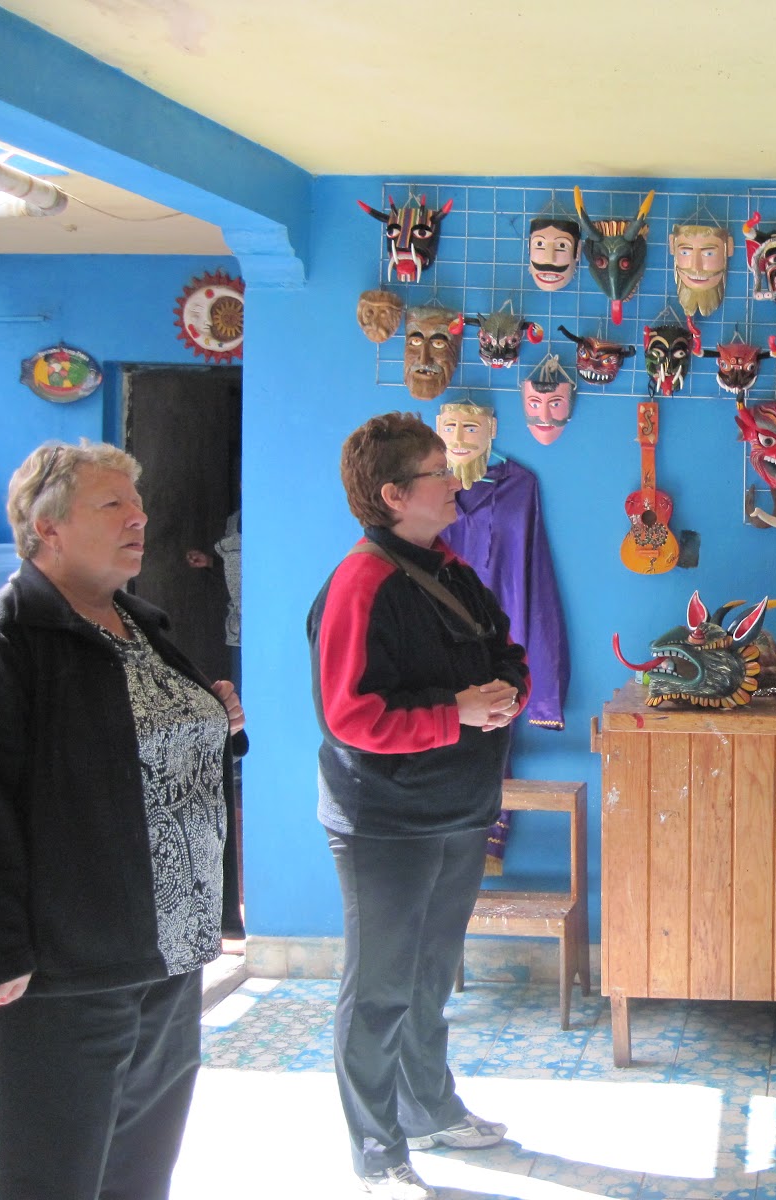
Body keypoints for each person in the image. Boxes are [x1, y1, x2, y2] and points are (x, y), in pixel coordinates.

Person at [0, 440, 246, 1200]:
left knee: (140, 1175)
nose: (139, 519)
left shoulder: (140, 624)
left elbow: (138, 749)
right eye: (113, 505)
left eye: (138, 505)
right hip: (71, 970)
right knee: (52, 1176)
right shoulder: (13, 642)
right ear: (48, 529)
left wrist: (220, 724)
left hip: (169, 949)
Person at [308, 413, 528, 1200]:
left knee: (431, 976)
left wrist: (508, 692)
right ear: (395, 494)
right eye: (441, 471)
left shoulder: (447, 565)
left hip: (459, 808)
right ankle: (376, 1148)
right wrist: (458, 714)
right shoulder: (360, 581)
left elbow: (503, 647)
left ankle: (430, 1108)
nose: (457, 483)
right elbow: (349, 715)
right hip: (385, 821)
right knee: (378, 989)